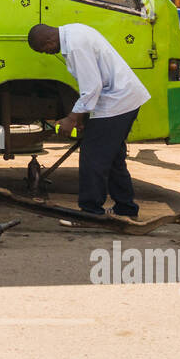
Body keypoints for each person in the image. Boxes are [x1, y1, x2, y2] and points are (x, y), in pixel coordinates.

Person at [27, 23, 151, 219]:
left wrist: (72, 118)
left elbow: (92, 86)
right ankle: (125, 207)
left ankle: (90, 211)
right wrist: (82, 116)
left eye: (45, 50)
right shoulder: (73, 32)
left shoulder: (75, 45)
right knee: (112, 158)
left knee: (93, 157)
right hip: (121, 100)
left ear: (49, 41)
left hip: (117, 102)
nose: (48, 53)